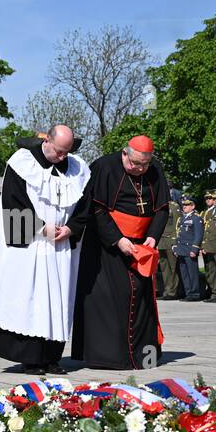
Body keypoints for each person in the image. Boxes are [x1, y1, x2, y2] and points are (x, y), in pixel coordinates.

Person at [0, 126, 90, 374]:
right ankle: (30, 358)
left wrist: (71, 229)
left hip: (61, 246)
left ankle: (52, 358)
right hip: (30, 246)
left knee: (58, 299)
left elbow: (86, 205)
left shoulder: (78, 168)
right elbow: (13, 202)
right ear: (47, 141)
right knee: (30, 299)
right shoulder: (21, 163)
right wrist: (41, 228)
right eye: (58, 151)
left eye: (67, 151)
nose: (64, 157)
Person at [72, 134, 171, 370]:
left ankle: (145, 357)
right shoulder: (104, 166)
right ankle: (110, 358)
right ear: (124, 153)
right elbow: (95, 208)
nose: (139, 169)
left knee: (142, 299)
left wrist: (153, 236)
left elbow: (162, 208)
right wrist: (117, 240)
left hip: (141, 246)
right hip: (107, 246)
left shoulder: (154, 170)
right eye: (135, 163)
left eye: (144, 164)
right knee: (115, 298)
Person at [174, 195, 204, 301]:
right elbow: (179, 234)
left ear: (193, 206)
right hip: (182, 249)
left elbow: (198, 235)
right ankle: (188, 293)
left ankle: (195, 293)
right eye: (183, 205)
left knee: (192, 272)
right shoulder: (182, 218)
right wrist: (176, 248)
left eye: (187, 205)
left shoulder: (196, 218)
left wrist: (195, 249)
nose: (184, 207)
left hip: (190, 249)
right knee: (184, 273)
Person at [157, 190, 182, 300]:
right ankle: (167, 290)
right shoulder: (158, 205)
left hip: (170, 240)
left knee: (173, 268)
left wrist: (174, 241)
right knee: (164, 268)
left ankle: (173, 292)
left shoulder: (174, 206)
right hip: (161, 241)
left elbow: (177, 225)